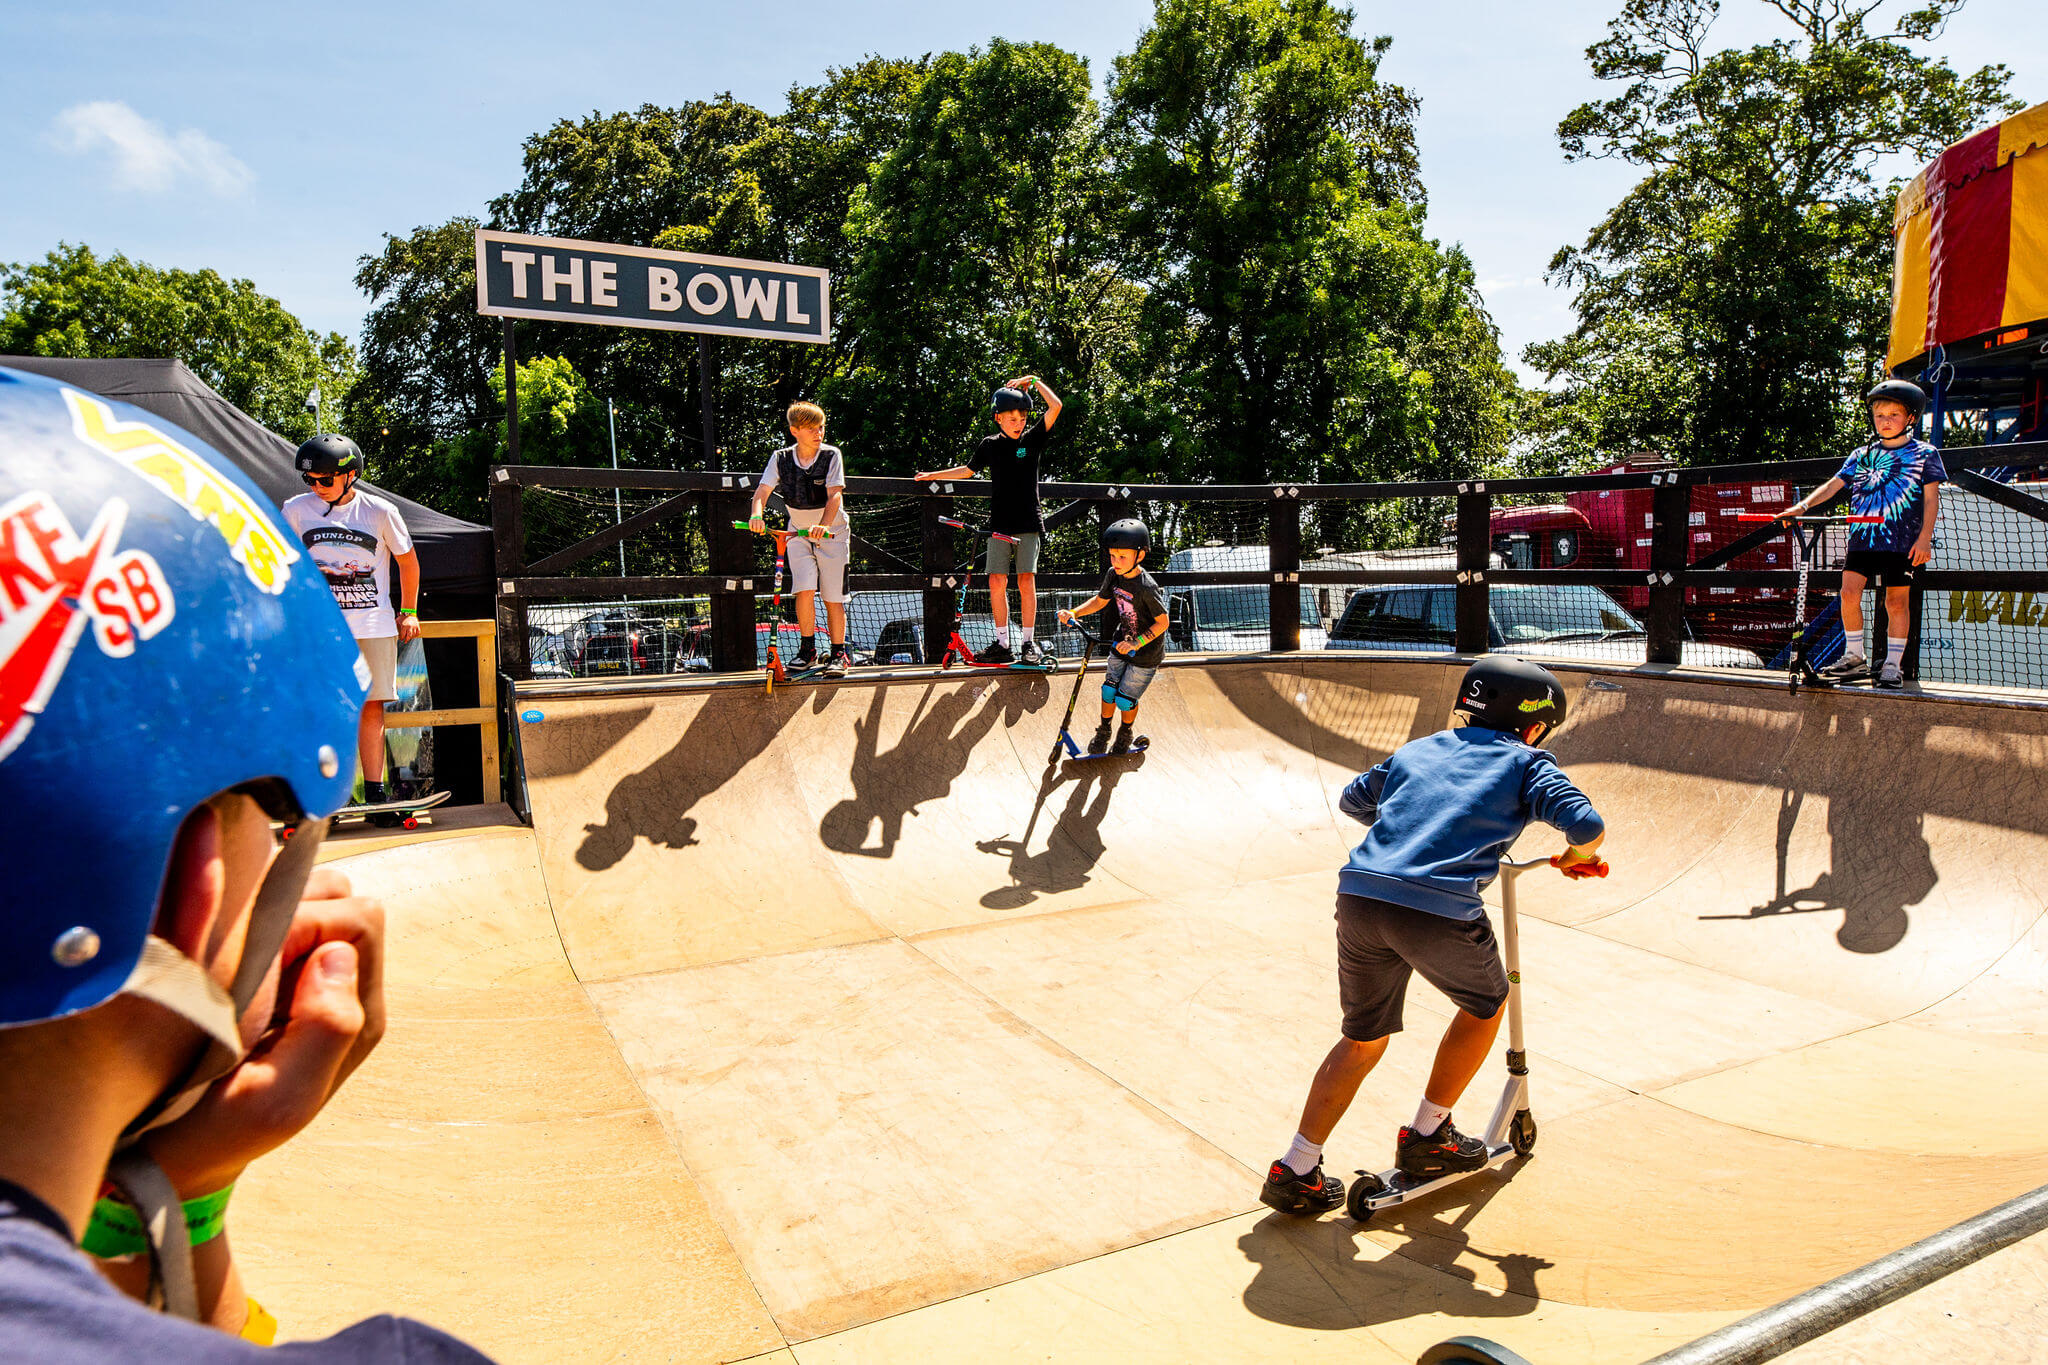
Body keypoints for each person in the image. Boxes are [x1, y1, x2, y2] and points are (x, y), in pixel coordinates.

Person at [0, 364, 492, 1360]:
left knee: (370, 717)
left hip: (368, 625)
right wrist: (174, 1201)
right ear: (195, 897)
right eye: (279, 831)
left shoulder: (375, 518)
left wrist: (158, 1183)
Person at [1261, 657, 1607, 1216]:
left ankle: (1296, 1169)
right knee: (1486, 1006)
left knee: (1361, 1039)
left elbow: (1354, 800)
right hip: (1436, 907)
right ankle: (1429, 1136)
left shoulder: (1419, 750)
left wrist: (1415, 820)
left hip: (1361, 895)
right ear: (1535, 725)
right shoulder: (1526, 762)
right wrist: (1576, 856)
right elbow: (1586, 825)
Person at [282, 435, 422, 804]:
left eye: (324, 480)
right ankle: (333, 792)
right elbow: (282, 562)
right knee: (328, 706)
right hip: (322, 631)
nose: (316, 487)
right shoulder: (296, 510)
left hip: (372, 625)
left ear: (350, 475)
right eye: (309, 480)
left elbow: (407, 561)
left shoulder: (379, 511)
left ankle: (374, 791)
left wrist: (409, 611)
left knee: (371, 706)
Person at [1777, 379, 1944, 689]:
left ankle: (1893, 665)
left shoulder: (1925, 453)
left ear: (1910, 418)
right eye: (1880, 415)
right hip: (1863, 539)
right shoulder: (1861, 454)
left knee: (1896, 603)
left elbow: (1932, 499)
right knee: (1849, 593)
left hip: (1901, 542)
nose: (1886, 421)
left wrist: (1924, 538)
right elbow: (1833, 485)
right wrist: (1800, 507)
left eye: (1894, 414)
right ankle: (1855, 657)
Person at [914, 375, 1063, 664]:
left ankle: (1029, 644)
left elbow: (1055, 406)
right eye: (1011, 418)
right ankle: (1002, 643)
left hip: (1029, 523)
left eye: (1022, 417)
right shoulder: (990, 445)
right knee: (996, 580)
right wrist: (933, 475)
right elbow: (968, 471)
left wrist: (1034, 380)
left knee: (1026, 580)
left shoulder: (1032, 440)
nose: (1018, 422)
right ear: (998, 418)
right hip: (1000, 524)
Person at [749, 401, 853, 677]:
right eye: (811, 428)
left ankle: (839, 653)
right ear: (795, 431)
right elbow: (762, 492)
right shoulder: (781, 457)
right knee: (803, 589)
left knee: (833, 595)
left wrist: (823, 525)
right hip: (797, 532)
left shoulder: (831, 455)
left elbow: (835, 495)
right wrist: (756, 515)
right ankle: (807, 649)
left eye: (821, 427)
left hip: (832, 532)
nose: (819, 432)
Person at [1057, 518, 1169, 754]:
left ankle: (1125, 732)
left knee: (1124, 699)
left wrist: (1137, 643)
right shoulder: (1113, 574)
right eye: (1113, 556)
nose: (1116, 562)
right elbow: (1100, 601)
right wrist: (1074, 612)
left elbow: (1163, 622)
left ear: (1139, 556)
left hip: (1146, 653)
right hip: (1120, 642)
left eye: (1122, 557)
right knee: (1109, 690)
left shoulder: (1147, 587)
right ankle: (1104, 730)